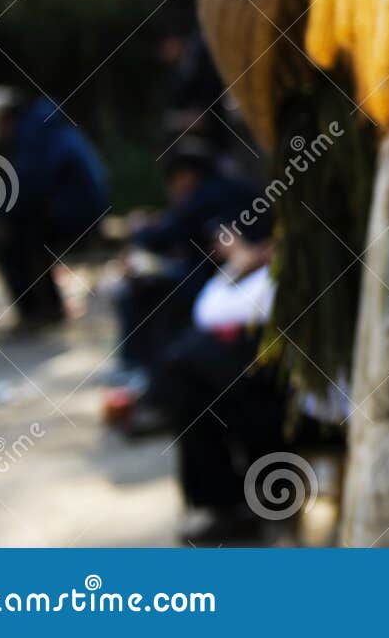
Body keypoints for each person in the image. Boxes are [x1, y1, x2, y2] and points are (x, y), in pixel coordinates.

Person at [142, 218, 287, 545]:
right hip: (244, 367)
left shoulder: (285, 265)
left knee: (188, 369)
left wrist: (244, 257)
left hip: (283, 374)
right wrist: (241, 263)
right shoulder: (243, 269)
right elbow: (207, 311)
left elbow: (253, 309)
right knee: (188, 375)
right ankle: (228, 505)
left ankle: (245, 501)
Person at [111, 142, 264, 381]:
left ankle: (137, 366)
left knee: (140, 286)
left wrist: (139, 231)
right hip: (243, 279)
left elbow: (165, 235)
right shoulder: (234, 187)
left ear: (186, 175)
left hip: (225, 283)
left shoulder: (204, 195)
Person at [0, 86, 109, 331]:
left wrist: (2, 216)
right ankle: (49, 307)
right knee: (25, 232)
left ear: (6, 118)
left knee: (14, 242)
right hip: (84, 208)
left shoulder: (35, 133)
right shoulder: (45, 125)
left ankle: (38, 312)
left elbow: (29, 186)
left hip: (79, 212)